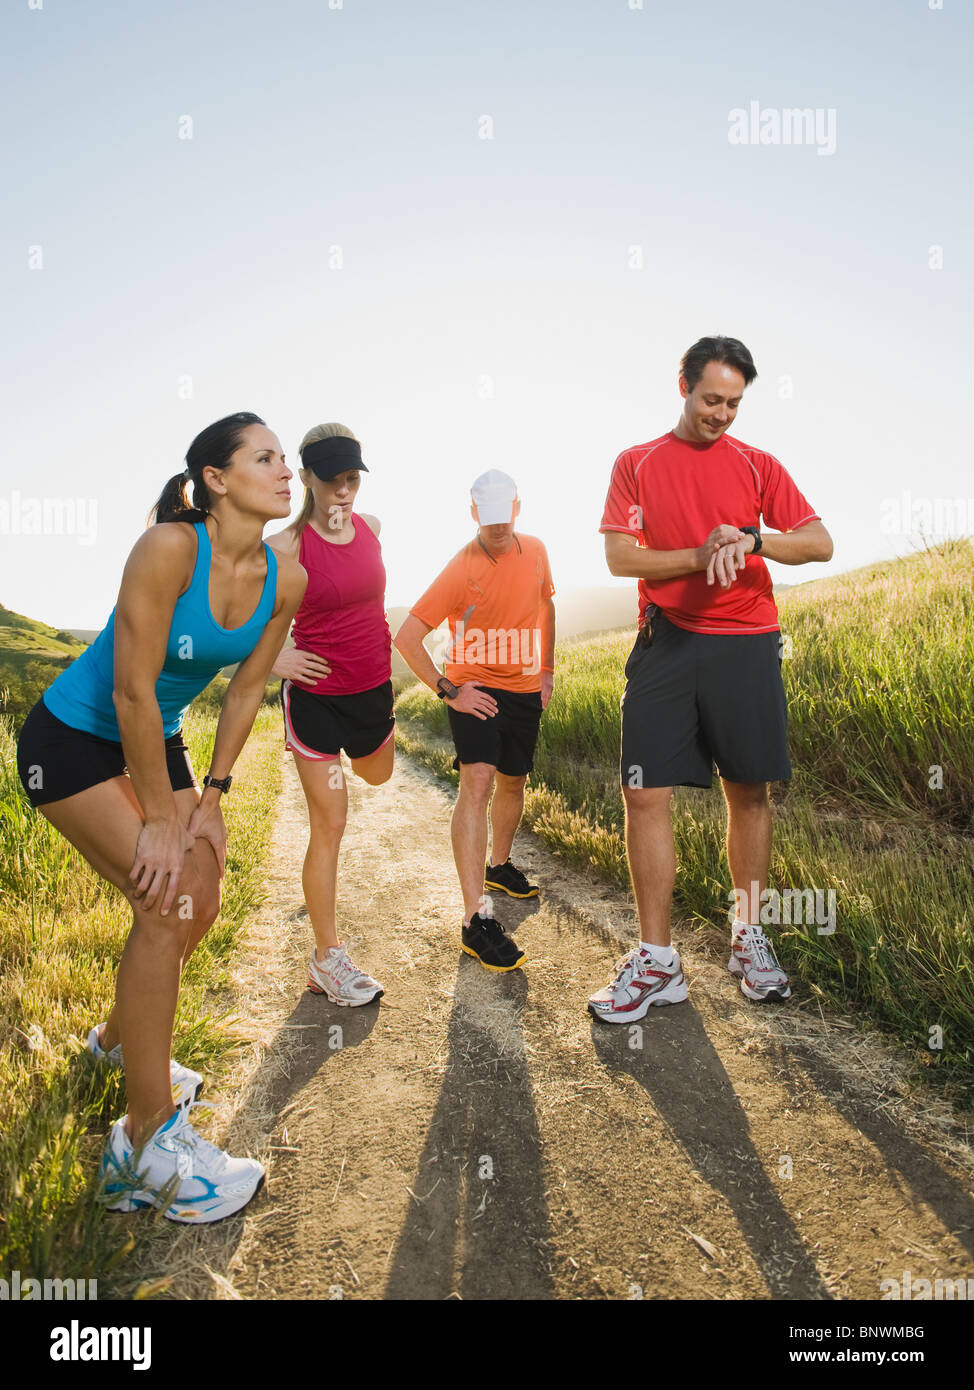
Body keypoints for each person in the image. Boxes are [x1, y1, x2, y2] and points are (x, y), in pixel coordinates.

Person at [16, 413, 306, 1221]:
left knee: (202, 893)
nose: (286, 471)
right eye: (264, 458)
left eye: (285, 458)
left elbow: (248, 688)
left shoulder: (287, 578)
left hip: (163, 741)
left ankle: (120, 1044)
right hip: (73, 738)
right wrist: (156, 817)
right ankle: (142, 1147)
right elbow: (132, 690)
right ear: (215, 478)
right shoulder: (169, 549)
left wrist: (209, 798)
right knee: (166, 894)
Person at [587, 336, 833, 1022]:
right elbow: (618, 557)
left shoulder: (759, 465)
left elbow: (819, 542)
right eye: (710, 399)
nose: (722, 413)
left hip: (747, 642)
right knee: (644, 792)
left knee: (749, 792)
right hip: (666, 644)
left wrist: (752, 539)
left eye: (734, 403)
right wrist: (699, 554)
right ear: (683, 386)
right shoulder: (636, 463)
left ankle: (749, 938)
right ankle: (658, 962)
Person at [394, 470, 556, 972]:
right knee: (478, 782)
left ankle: (500, 866)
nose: (497, 530)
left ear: (517, 508)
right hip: (476, 690)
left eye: (503, 519)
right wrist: (449, 689)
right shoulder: (459, 567)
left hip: (525, 689)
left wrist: (546, 669)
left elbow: (547, 606)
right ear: (473, 515)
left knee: (514, 781)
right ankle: (474, 919)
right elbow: (406, 636)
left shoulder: (536, 550)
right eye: (487, 522)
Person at [267, 423, 390, 1005]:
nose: (344, 491)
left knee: (378, 774)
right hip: (315, 700)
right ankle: (326, 958)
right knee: (331, 824)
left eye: (352, 479)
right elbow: (229, 617)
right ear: (307, 477)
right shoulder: (285, 548)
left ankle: (353, 760)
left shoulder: (372, 530)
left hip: (371, 694)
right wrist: (274, 657)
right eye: (332, 480)